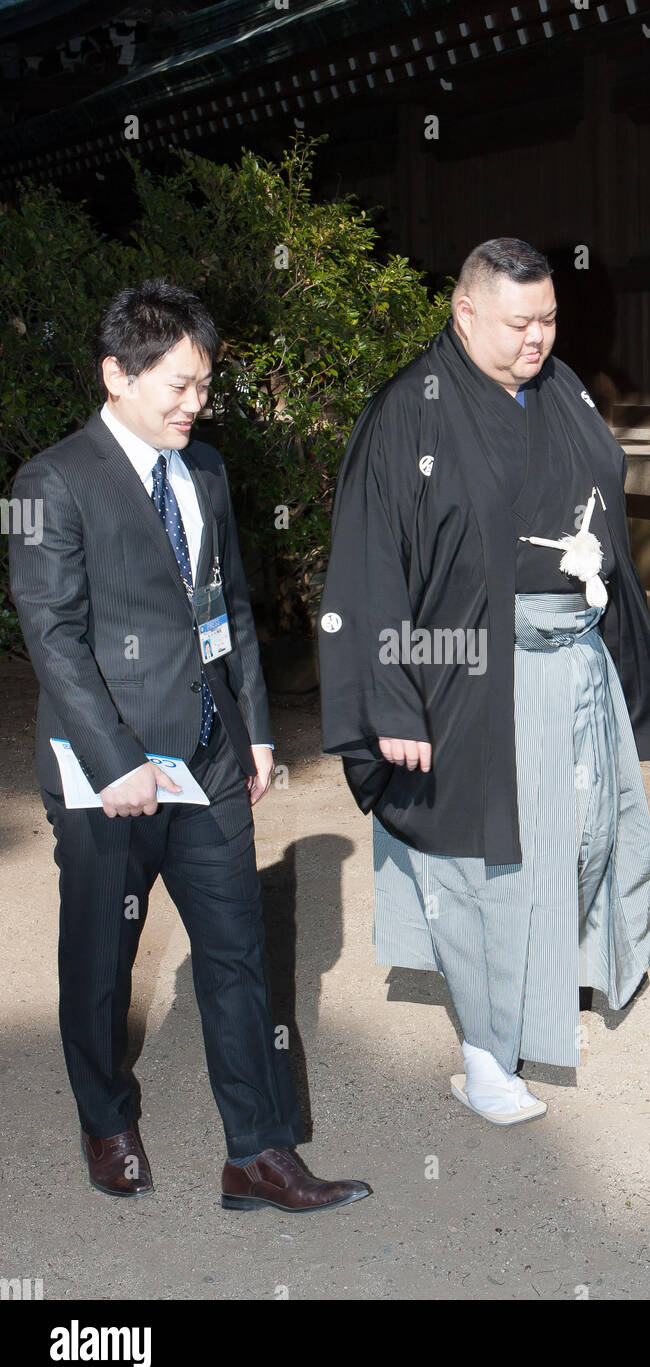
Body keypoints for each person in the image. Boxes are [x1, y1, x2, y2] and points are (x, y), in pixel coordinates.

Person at [317, 238, 650, 1125]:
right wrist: (391, 697)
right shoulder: (409, 411)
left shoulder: (558, 387)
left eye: (550, 319)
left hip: (573, 657)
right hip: (472, 674)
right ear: (465, 313)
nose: (539, 339)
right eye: (520, 323)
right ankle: (487, 1055)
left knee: (589, 831)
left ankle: (553, 982)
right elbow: (369, 565)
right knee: (490, 867)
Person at [10, 279, 370, 1211]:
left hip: (208, 758)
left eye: (204, 385)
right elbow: (51, 634)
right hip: (110, 774)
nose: (193, 403)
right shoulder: (53, 481)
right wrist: (113, 760)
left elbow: (230, 610)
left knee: (238, 955)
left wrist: (252, 728)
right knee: (101, 958)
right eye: (177, 384)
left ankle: (258, 1152)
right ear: (116, 375)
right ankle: (105, 1119)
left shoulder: (204, 470)